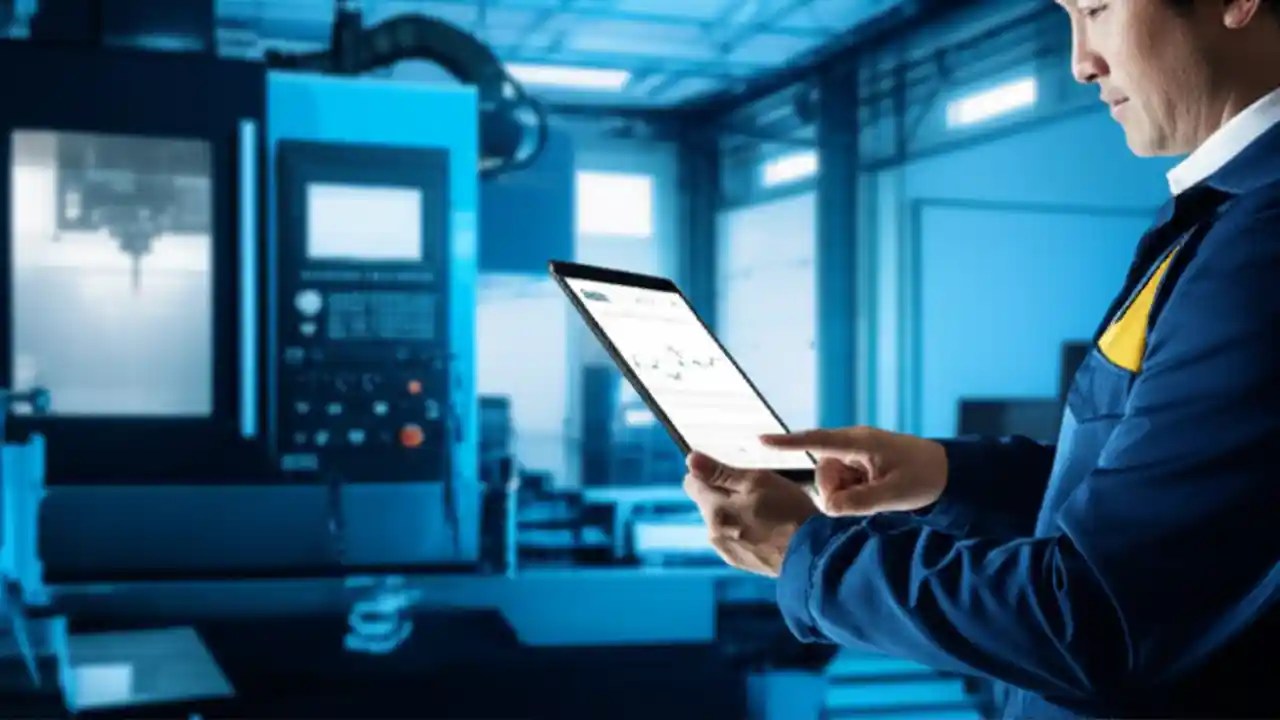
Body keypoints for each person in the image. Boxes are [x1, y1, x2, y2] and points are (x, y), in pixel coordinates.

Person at [680, 0, 1280, 717]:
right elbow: (1176, 519)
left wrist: (806, 557)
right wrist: (946, 476)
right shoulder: (1219, 219)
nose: (1080, 61)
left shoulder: (1260, 242)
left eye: (1097, 9)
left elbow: (1096, 617)